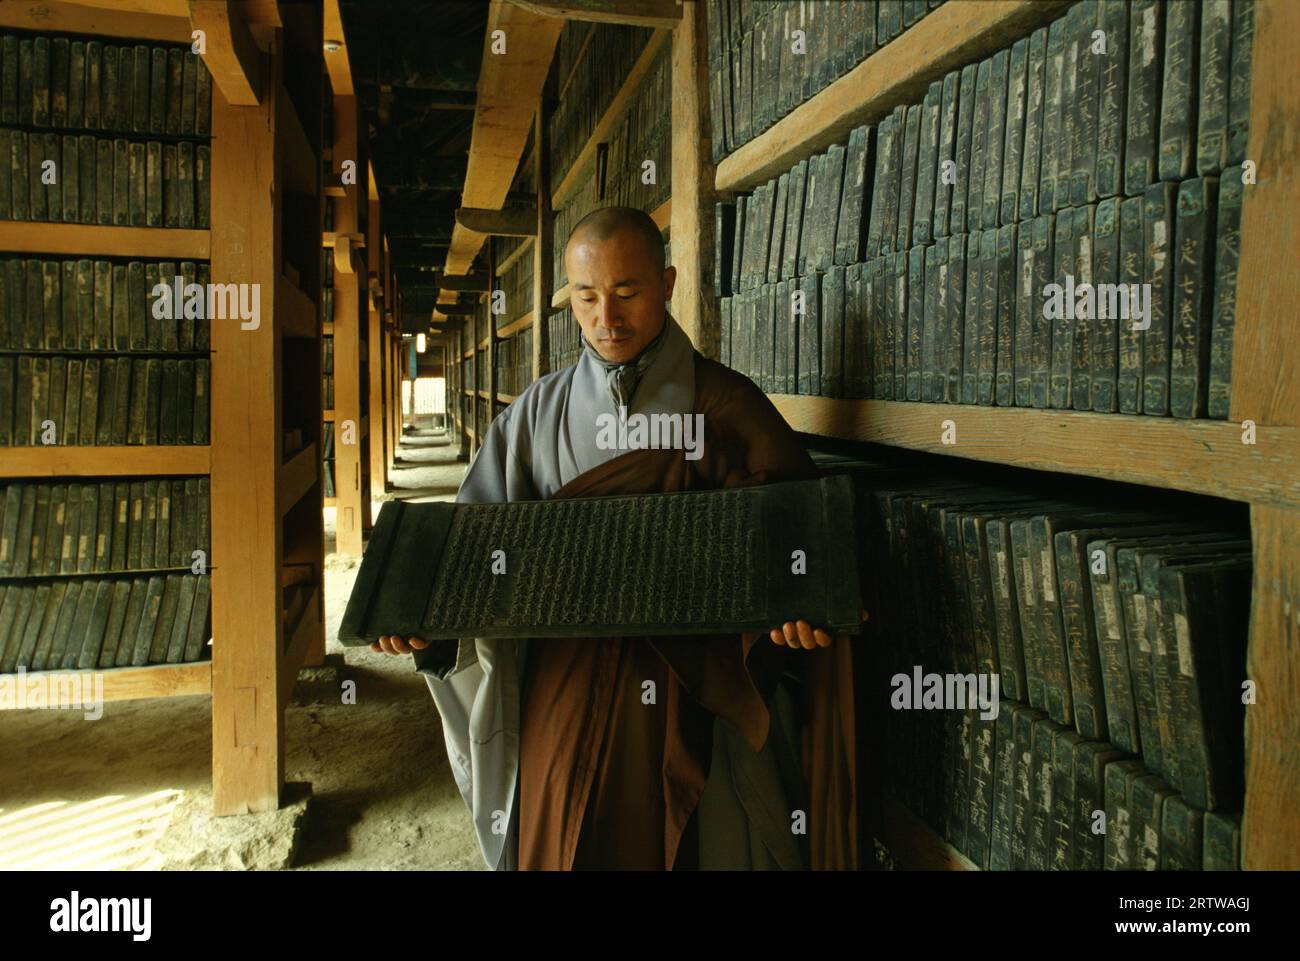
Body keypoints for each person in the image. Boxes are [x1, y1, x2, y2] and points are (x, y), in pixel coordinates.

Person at [373, 206, 861, 870]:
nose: (607, 316)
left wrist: (792, 622)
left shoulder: (728, 410)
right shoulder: (531, 419)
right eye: (586, 296)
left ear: (666, 282)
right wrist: (426, 627)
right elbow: (469, 561)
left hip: (695, 702)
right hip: (564, 698)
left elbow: (798, 559)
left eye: (627, 292)